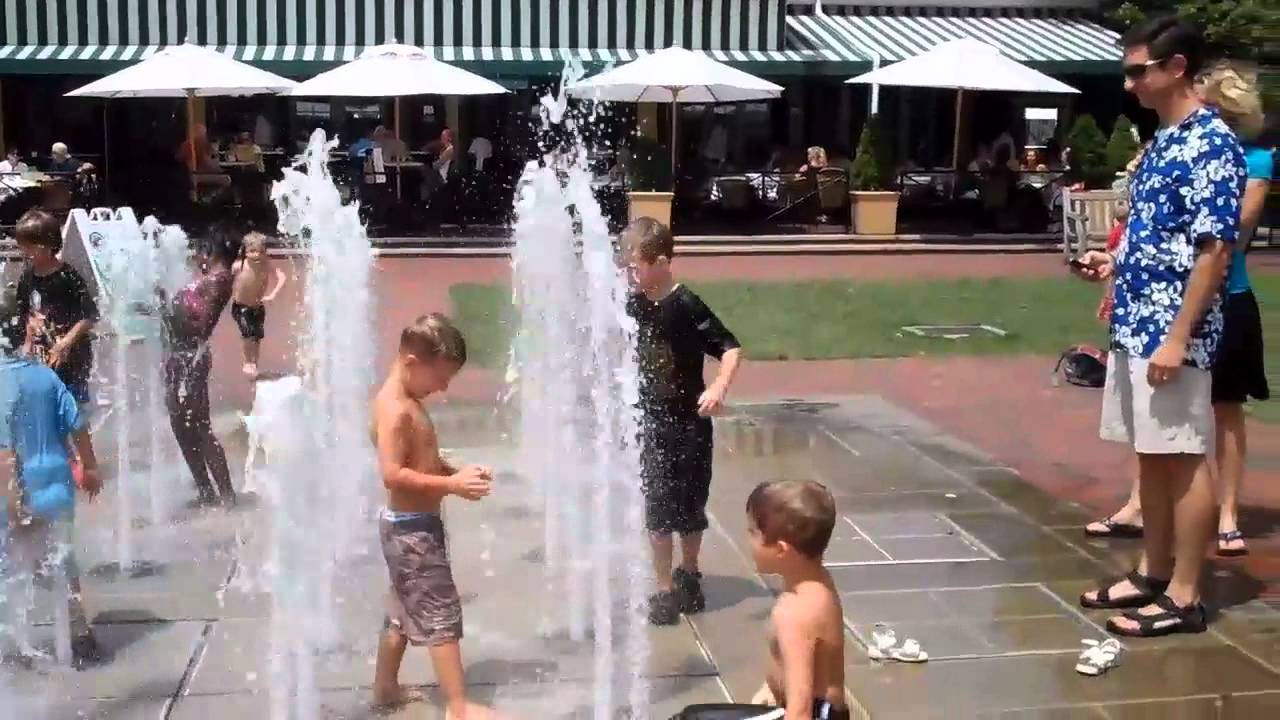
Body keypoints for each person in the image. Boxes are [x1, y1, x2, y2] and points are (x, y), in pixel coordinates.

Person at [1071, 16, 1246, 637]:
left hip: (1173, 333)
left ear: (1175, 69)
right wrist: (1113, 262)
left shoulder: (1210, 144)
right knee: (1151, 455)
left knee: (1184, 456)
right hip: (1134, 326)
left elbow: (1213, 250)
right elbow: (1155, 236)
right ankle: (1153, 571)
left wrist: (1178, 336)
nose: (1128, 84)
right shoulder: (1165, 141)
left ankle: (1185, 595)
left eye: (1137, 70)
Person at [370, 313, 496, 719]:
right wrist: (452, 486)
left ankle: (386, 688)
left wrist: (449, 469)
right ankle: (458, 708)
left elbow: (415, 460)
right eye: (439, 377)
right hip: (412, 534)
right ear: (410, 361)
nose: (443, 387)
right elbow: (392, 474)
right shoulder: (395, 409)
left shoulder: (405, 401)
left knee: (402, 611)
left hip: (408, 529)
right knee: (441, 613)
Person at [623, 217, 743, 626]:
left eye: (635, 266)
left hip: (689, 423)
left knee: (690, 503)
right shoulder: (632, 303)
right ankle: (662, 588)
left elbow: (729, 346)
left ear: (660, 262)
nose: (630, 274)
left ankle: (689, 571)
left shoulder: (687, 305)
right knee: (657, 505)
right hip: (650, 422)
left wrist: (719, 387)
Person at [0, 284, 104, 668]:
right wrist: (90, 468)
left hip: (15, 494)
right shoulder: (45, 377)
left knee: (9, 569)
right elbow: (77, 425)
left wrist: (13, 505)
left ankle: (14, 644)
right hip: (56, 488)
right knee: (62, 562)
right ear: (24, 330)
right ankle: (80, 635)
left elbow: (4, 454)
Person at [744, 480, 848, 720]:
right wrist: (770, 687)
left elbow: (800, 707)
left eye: (753, 533)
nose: (748, 540)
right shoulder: (818, 581)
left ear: (781, 550)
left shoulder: (792, 613)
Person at [162, 225, 238, 507]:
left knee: (199, 425)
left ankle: (226, 496)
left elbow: (201, 326)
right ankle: (205, 490)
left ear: (211, 248)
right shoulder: (208, 277)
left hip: (190, 357)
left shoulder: (219, 279)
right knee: (180, 425)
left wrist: (166, 310)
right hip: (177, 357)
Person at [13, 209, 100, 417]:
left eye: (31, 246)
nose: (26, 252)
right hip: (41, 358)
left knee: (72, 410)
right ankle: (57, 449)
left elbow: (89, 316)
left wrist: (65, 343)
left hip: (72, 358)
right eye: (23, 246)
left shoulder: (68, 276)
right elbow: (26, 315)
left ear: (50, 243)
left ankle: (80, 448)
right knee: (44, 410)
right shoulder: (27, 278)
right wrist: (25, 347)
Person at [230, 232, 287, 378]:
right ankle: (247, 362)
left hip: (257, 306)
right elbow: (226, 278)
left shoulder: (266, 264)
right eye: (252, 252)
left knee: (257, 337)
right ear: (245, 252)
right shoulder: (239, 266)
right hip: (240, 306)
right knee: (247, 334)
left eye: (261, 251)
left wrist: (273, 294)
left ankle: (254, 362)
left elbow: (282, 276)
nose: (257, 255)